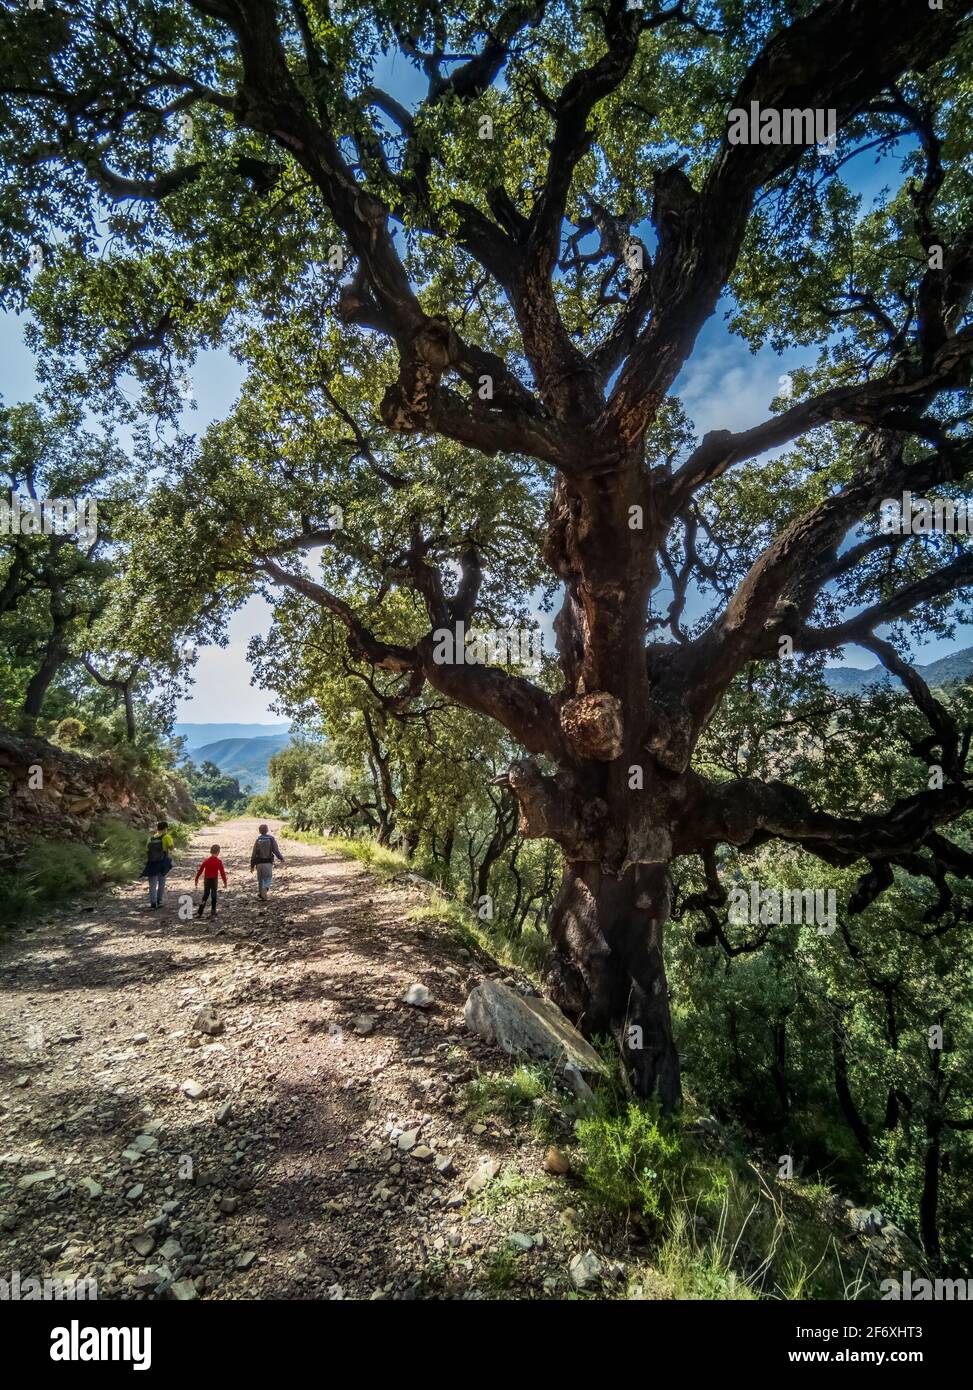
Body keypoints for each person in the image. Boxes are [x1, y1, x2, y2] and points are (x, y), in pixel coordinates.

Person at [142, 821, 174, 909]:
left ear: (157, 828)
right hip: (162, 861)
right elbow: (171, 847)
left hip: (152, 862)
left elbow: (147, 850)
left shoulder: (151, 838)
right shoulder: (166, 836)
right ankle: (159, 901)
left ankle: (153, 903)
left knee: (152, 884)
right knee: (161, 881)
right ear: (166, 828)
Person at [250, 823, 285, 900]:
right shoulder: (271, 838)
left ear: (259, 831)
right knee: (268, 878)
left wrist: (252, 865)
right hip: (268, 862)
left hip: (258, 863)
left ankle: (261, 895)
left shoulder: (258, 839)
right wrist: (281, 858)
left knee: (260, 879)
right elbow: (276, 850)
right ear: (267, 830)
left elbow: (254, 853)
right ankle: (264, 890)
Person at [194, 845, 227, 919]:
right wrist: (225, 882)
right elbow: (222, 873)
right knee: (214, 896)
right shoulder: (219, 861)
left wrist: (196, 879)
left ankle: (200, 912)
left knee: (205, 896)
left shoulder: (206, 861)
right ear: (218, 852)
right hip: (214, 880)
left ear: (210, 851)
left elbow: (200, 871)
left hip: (207, 880)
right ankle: (213, 911)